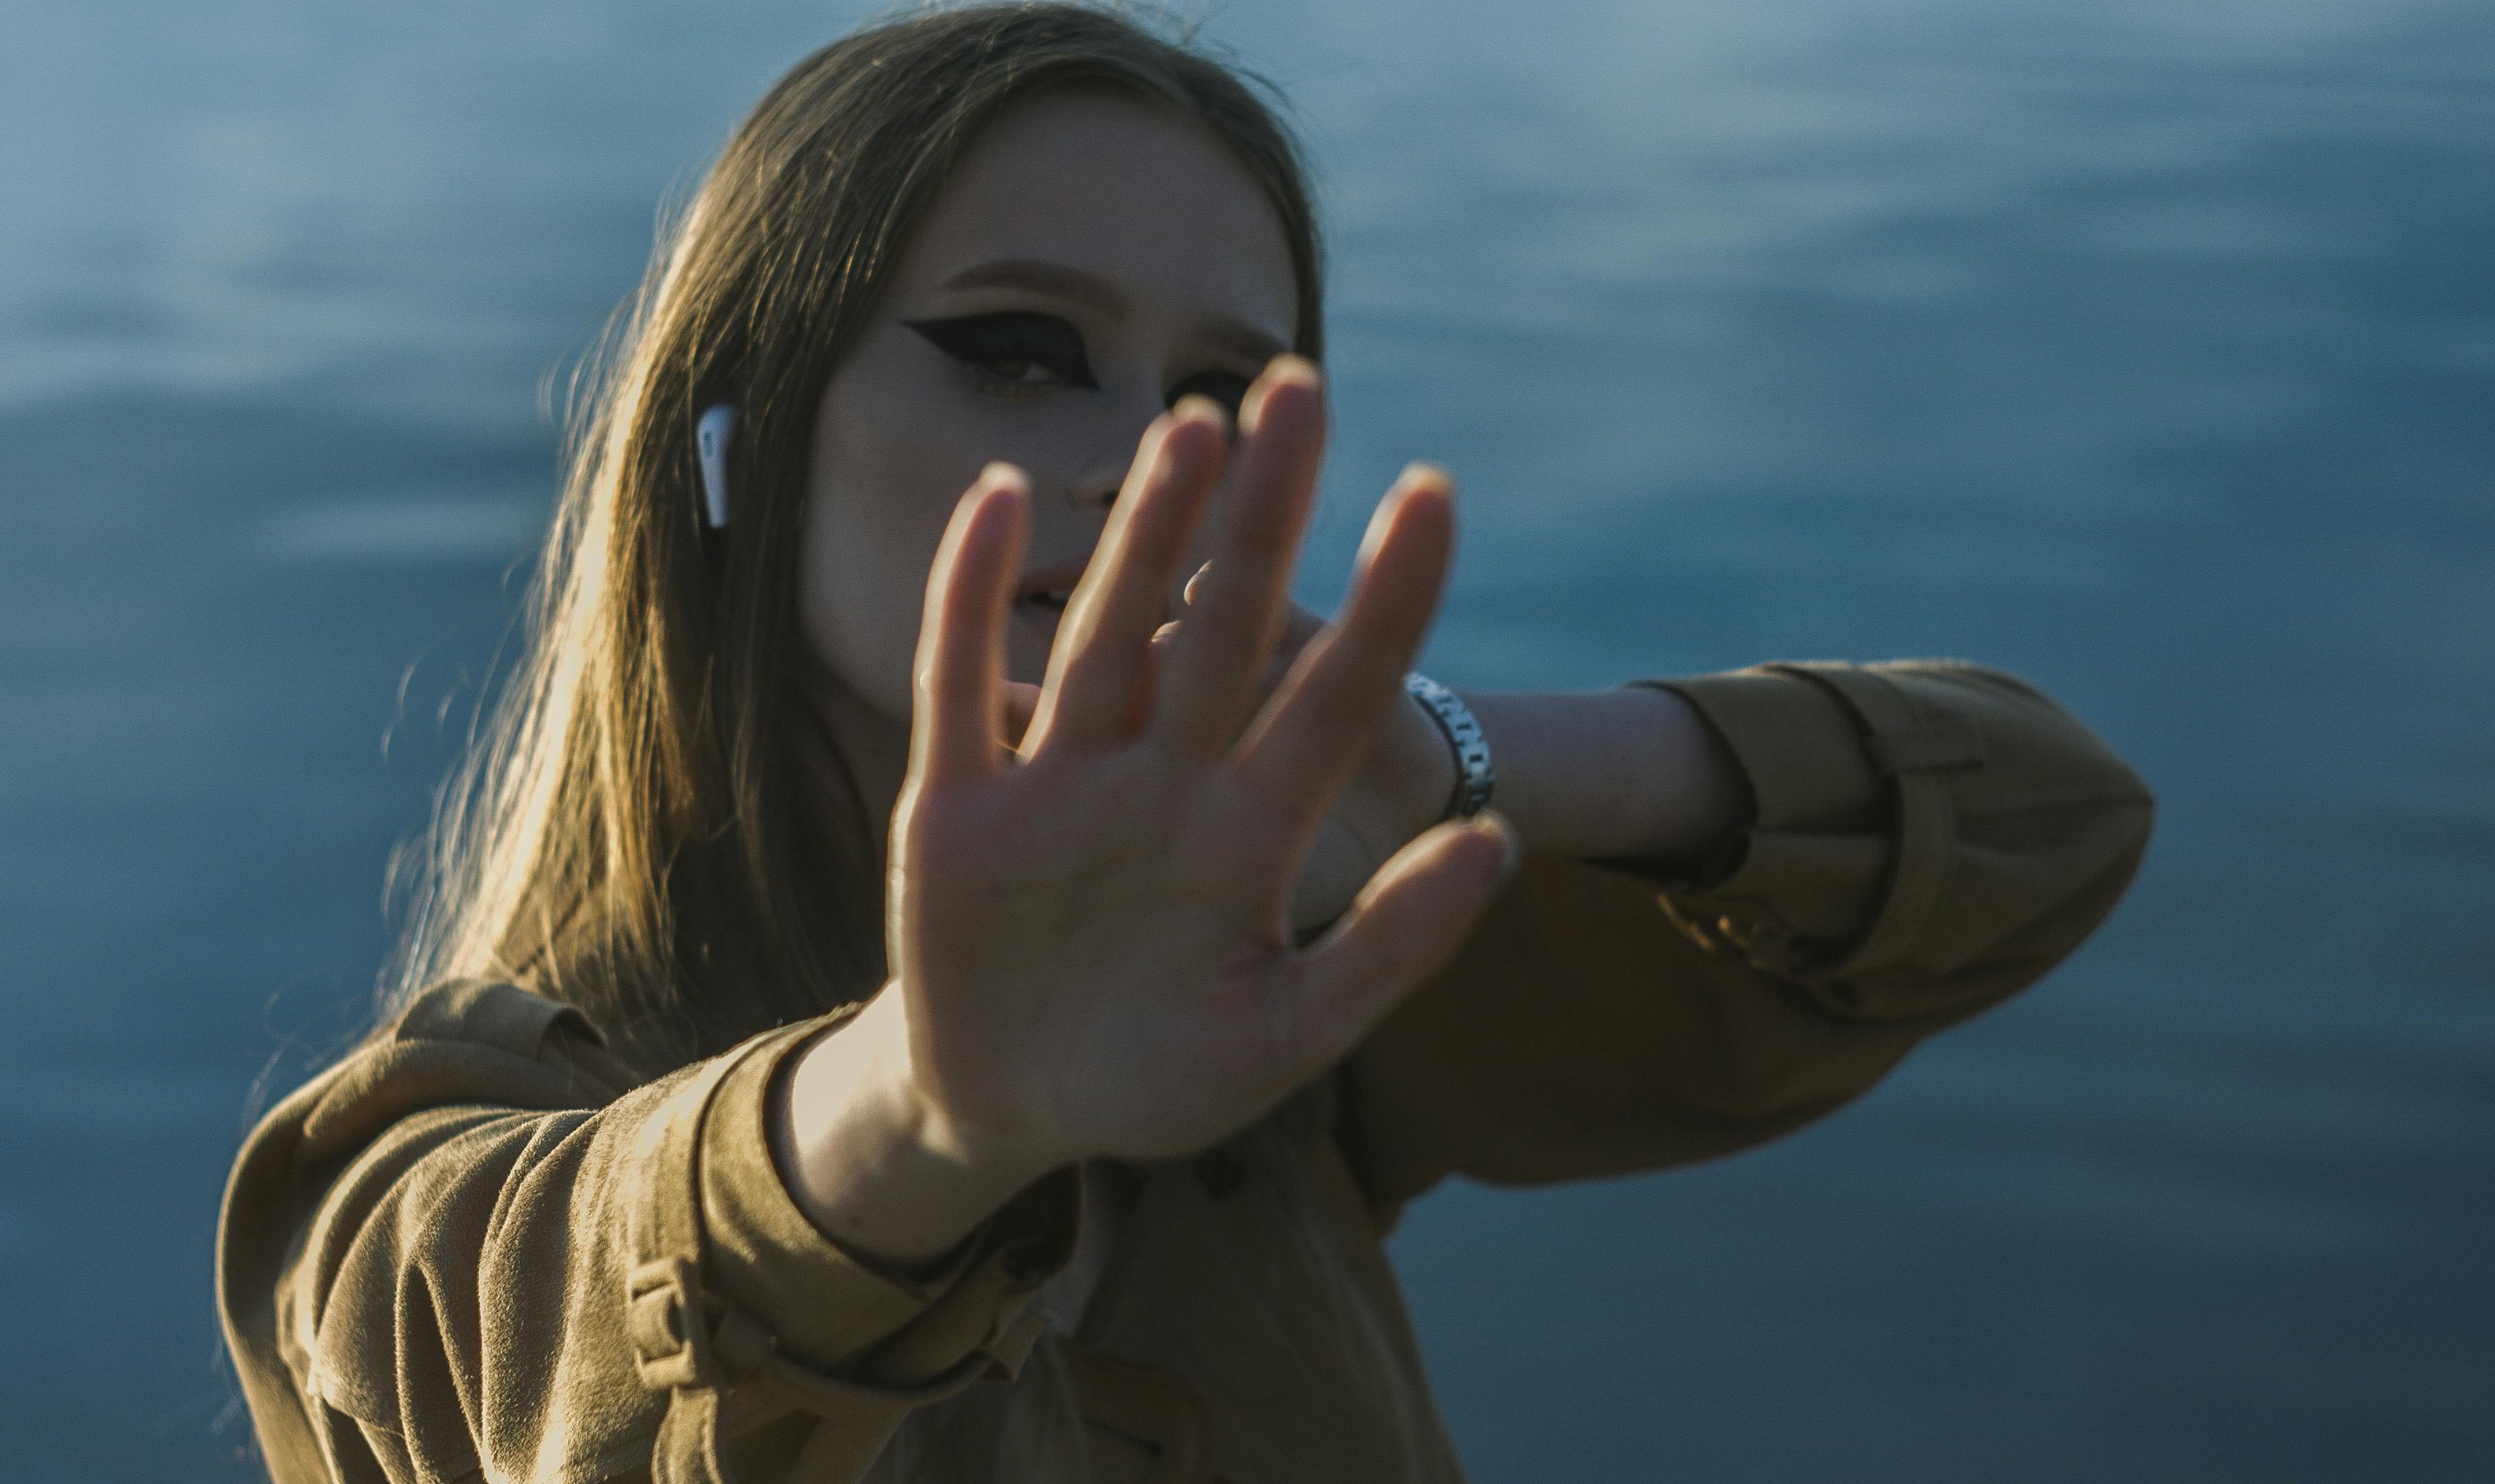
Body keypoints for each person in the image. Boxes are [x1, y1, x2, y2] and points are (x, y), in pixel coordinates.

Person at [214, 5, 2155, 1481]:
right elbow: (502, 1347)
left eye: (1233, 394)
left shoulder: (1280, 978)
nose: (1155, 458)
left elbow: (2048, 829)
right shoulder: (431, 1157)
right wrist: (924, 1112)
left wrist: (1442, 768)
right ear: (744, 440)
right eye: (1023, 349)